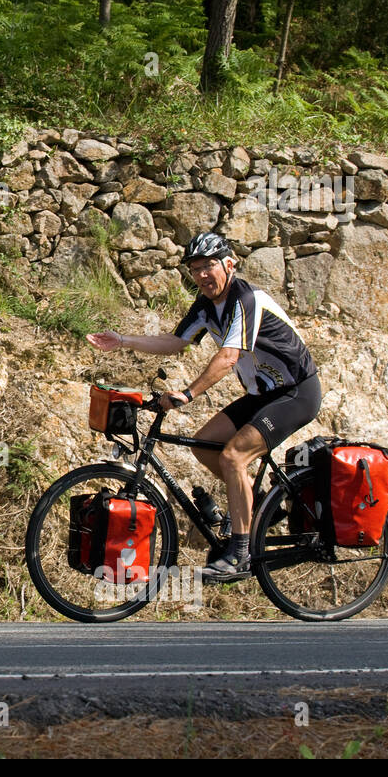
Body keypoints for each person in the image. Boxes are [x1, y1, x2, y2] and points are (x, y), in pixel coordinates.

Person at [86, 232, 321, 581]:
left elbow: (228, 357)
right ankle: (255, 510)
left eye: (208, 266)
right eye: (195, 270)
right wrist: (124, 340)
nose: (201, 275)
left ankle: (240, 553)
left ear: (229, 263)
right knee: (204, 445)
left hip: (296, 391)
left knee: (233, 457)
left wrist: (188, 393)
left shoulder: (247, 299)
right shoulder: (206, 305)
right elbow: (177, 342)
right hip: (263, 394)